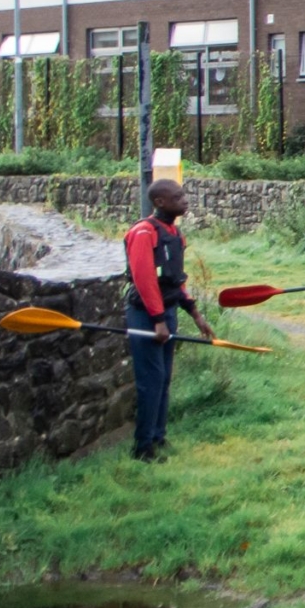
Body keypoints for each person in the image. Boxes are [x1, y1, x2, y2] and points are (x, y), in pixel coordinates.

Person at [123, 179, 218, 462]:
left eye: (184, 195)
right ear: (160, 202)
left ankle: (158, 436)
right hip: (145, 315)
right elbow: (144, 279)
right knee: (150, 381)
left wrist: (196, 314)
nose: (185, 200)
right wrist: (157, 319)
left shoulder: (175, 234)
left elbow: (175, 281)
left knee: (163, 379)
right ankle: (143, 448)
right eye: (178, 197)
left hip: (167, 312)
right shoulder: (144, 233)